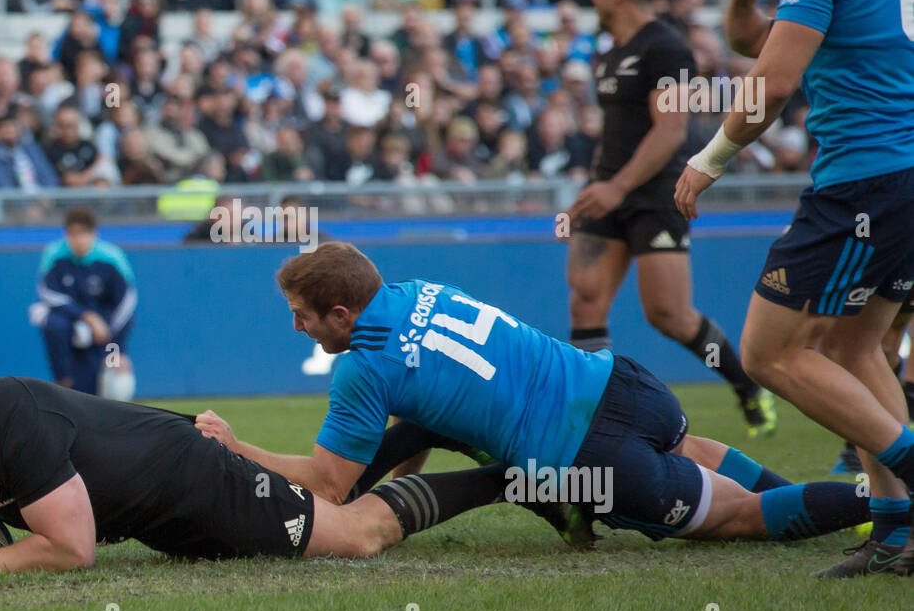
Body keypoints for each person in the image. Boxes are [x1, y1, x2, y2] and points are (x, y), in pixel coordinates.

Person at [195, 243, 868, 547]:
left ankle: (890, 505)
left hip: (585, 454)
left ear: (341, 314)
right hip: (621, 383)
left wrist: (233, 445)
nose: (296, 327)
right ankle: (846, 511)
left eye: (302, 315)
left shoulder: (363, 368)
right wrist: (405, 480)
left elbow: (329, 484)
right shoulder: (416, 292)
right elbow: (425, 416)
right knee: (694, 447)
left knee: (744, 519)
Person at [676, 0, 914, 576]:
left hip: (865, 182)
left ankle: (910, 484)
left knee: (770, 351)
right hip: (905, 178)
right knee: (856, 344)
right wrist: (744, 6)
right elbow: (771, 46)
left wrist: (709, 160)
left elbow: (773, 85)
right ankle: (896, 534)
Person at [0, 376, 510, 576]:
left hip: (194, 481)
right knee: (338, 510)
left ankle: (511, 479)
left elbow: (74, 550)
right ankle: (425, 431)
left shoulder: (9, 421)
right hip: (164, 513)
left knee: (360, 532)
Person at [566, 0, 775, 443]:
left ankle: (746, 385)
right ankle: (593, 420)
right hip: (610, 191)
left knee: (667, 314)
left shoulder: (665, 48)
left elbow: (671, 130)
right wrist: (596, 184)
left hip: (654, 194)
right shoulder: (612, 50)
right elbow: (618, 131)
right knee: (585, 298)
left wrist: (617, 186)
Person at [30, 207, 136, 398]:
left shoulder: (111, 257)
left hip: (103, 331)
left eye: (84, 234)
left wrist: (117, 348)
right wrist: (86, 317)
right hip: (70, 325)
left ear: (94, 234)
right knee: (54, 323)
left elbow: (126, 304)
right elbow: (48, 293)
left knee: (115, 388)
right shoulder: (55, 255)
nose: (79, 240)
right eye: (73, 235)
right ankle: (63, 382)